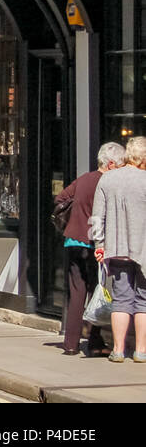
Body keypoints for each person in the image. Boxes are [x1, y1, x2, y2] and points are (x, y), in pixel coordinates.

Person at [57, 142, 123, 355]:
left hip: (72, 241)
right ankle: (94, 342)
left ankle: (70, 344)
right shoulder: (107, 182)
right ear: (111, 163)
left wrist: (75, 214)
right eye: (120, 164)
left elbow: (60, 198)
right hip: (94, 244)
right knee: (98, 291)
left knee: (77, 293)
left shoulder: (84, 178)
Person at [90, 136, 146, 363]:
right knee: (144, 301)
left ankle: (118, 350)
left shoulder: (108, 180)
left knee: (121, 299)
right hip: (144, 250)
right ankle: (141, 351)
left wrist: (99, 246)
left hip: (116, 250)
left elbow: (96, 218)